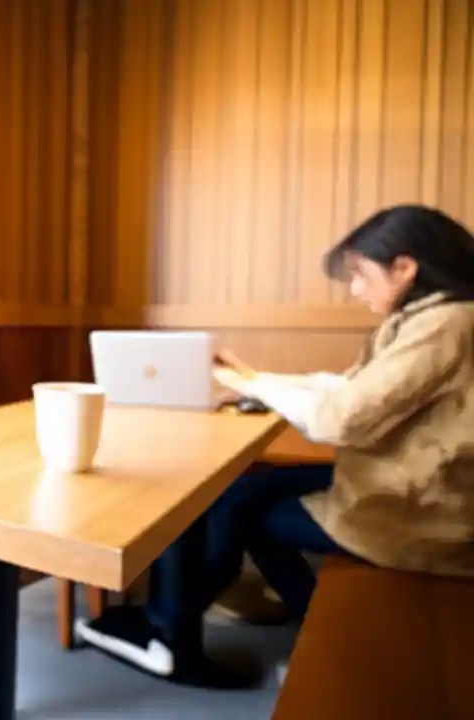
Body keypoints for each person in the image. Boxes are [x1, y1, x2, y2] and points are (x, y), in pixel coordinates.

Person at [75, 204, 474, 687]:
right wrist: (252, 378)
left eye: (359, 275)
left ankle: (188, 632)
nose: (355, 289)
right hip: (414, 484)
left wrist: (252, 386)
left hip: (423, 514)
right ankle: (176, 621)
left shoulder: (446, 324)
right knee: (242, 494)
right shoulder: (434, 319)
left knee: (236, 509)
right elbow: (344, 387)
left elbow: (339, 418)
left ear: (405, 268)